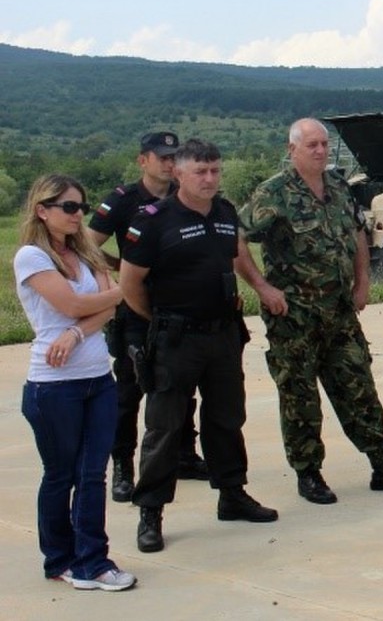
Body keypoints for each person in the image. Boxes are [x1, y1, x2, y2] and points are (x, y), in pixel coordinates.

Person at [237, 118, 383, 504]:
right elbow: (237, 239)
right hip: (295, 315)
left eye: (324, 144)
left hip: (339, 311)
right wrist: (262, 287)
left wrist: (363, 281)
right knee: (300, 397)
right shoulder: (273, 193)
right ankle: (309, 473)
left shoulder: (339, 186)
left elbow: (358, 231)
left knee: (358, 387)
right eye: (311, 145)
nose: (321, 151)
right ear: (292, 150)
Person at [119, 138, 278, 553]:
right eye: (200, 172)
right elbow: (130, 285)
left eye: (215, 171)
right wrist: (159, 321)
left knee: (226, 419)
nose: (209, 179)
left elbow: (231, 259)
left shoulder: (225, 213)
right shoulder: (153, 220)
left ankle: (232, 494)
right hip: (176, 338)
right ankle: (150, 511)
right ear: (178, 173)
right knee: (166, 427)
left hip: (223, 335)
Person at [15, 174, 137, 591]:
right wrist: (112, 297)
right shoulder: (31, 257)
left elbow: (102, 308)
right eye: (68, 207)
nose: (78, 215)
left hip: (97, 379)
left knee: (92, 475)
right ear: (42, 210)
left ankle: (93, 561)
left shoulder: (86, 254)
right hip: (53, 387)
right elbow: (77, 303)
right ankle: (60, 560)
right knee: (60, 476)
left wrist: (76, 332)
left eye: (81, 207)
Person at [88, 131, 207, 503]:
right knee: (130, 389)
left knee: (183, 386)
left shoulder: (184, 196)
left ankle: (185, 455)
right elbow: (87, 245)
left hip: (178, 306)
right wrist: (123, 271)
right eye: (162, 157)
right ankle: (123, 465)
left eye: (174, 157)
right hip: (137, 309)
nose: (170, 164)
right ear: (143, 160)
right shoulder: (123, 201)